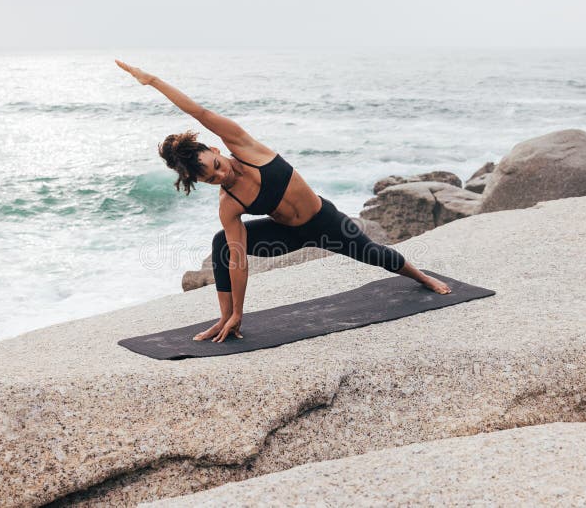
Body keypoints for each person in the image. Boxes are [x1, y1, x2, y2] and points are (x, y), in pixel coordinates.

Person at [115, 60, 451, 344]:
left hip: (325, 223)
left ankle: (423, 278)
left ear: (216, 150)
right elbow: (238, 261)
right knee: (223, 243)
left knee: (378, 255)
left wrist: (154, 81)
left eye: (216, 166)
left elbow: (199, 112)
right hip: (286, 235)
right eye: (210, 179)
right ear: (201, 183)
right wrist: (238, 313)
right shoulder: (229, 204)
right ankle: (224, 320)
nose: (221, 176)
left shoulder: (245, 147)